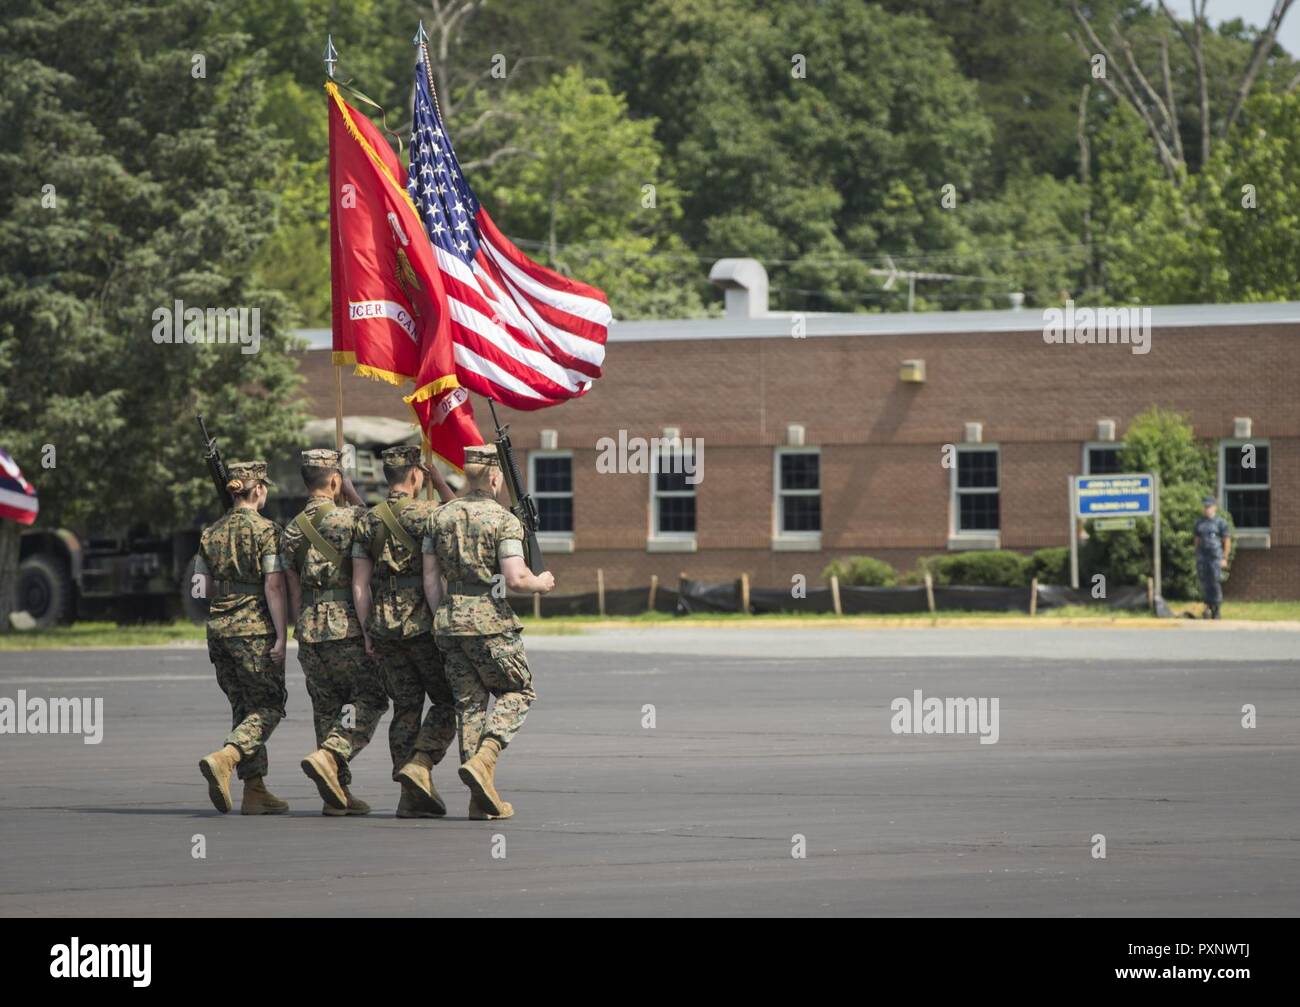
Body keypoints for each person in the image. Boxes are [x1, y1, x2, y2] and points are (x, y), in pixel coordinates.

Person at [424, 443, 554, 820]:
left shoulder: (441, 517)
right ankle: (486, 757)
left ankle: (480, 799)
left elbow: (431, 580)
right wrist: (541, 582)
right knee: (518, 690)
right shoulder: (503, 520)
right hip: (489, 621)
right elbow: (514, 578)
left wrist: (441, 620)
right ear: (495, 477)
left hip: (449, 622)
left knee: (469, 705)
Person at [352, 444, 458, 818]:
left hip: (382, 626)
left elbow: (359, 585)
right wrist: (442, 483)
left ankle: (409, 796)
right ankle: (421, 764)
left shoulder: (368, 520)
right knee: (448, 702)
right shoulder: (430, 513)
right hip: (421, 626)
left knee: (405, 706)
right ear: (416, 475)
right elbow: (460, 515)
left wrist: (367, 631)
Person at [284, 448, 389, 816]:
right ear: (335, 481)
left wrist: (300, 625)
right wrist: (368, 632)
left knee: (326, 710)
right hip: (345, 626)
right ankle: (331, 755)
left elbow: (293, 587)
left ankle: (336, 796)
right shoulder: (352, 520)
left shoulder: (292, 528)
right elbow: (378, 523)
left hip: (309, 629)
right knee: (371, 699)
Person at [195, 461, 290, 815]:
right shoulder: (267, 531)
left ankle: (255, 789)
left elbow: (201, 587)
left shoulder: (210, 533)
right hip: (254, 630)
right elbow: (274, 585)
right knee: (269, 705)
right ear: (258, 489)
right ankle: (227, 756)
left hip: (219, 630)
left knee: (243, 707)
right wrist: (282, 635)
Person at [1193, 495, 1231, 620]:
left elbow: (1226, 541)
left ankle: (1216, 608)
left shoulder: (1220, 523)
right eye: (1205, 507)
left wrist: (1224, 558)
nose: (1207, 509)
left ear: (1214, 507)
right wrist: (1197, 555)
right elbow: (1197, 540)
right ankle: (1207, 606)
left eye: (1209, 507)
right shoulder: (1199, 522)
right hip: (1203, 556)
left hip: (1215, 556)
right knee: (1205, 582)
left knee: (1215, 581)